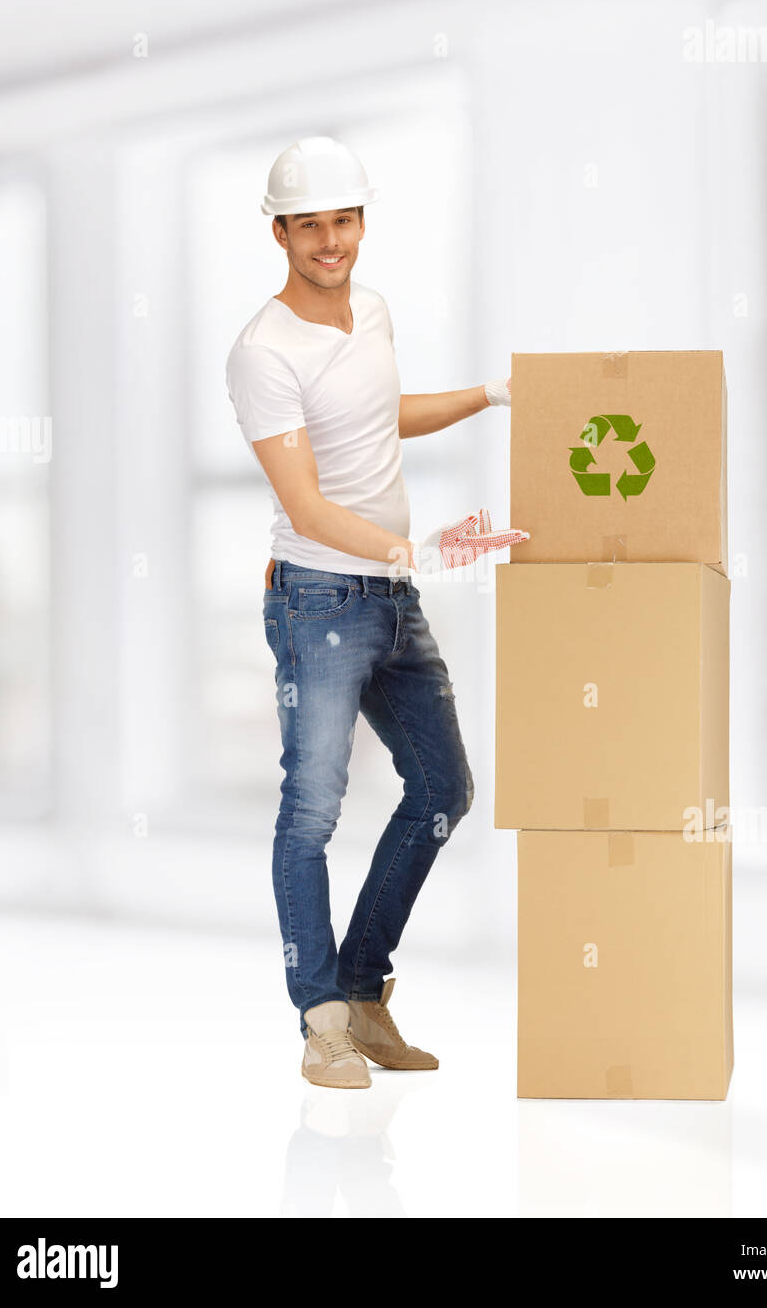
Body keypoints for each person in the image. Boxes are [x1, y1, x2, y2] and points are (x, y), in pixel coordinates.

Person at [225, 136, 528, 1089]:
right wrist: (416, 549)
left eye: (343, 221)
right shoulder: (261, 352)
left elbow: (378, 414)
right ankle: (320, 1021)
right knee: (312, 808)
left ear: (361, 223)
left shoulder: (374, 313)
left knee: (444, 790)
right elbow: (307, 506)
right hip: (318, 597)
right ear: (278, 232)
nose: (329, 241)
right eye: (308, 224)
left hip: (392, 594)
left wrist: (494, 394)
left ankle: (363, 989)